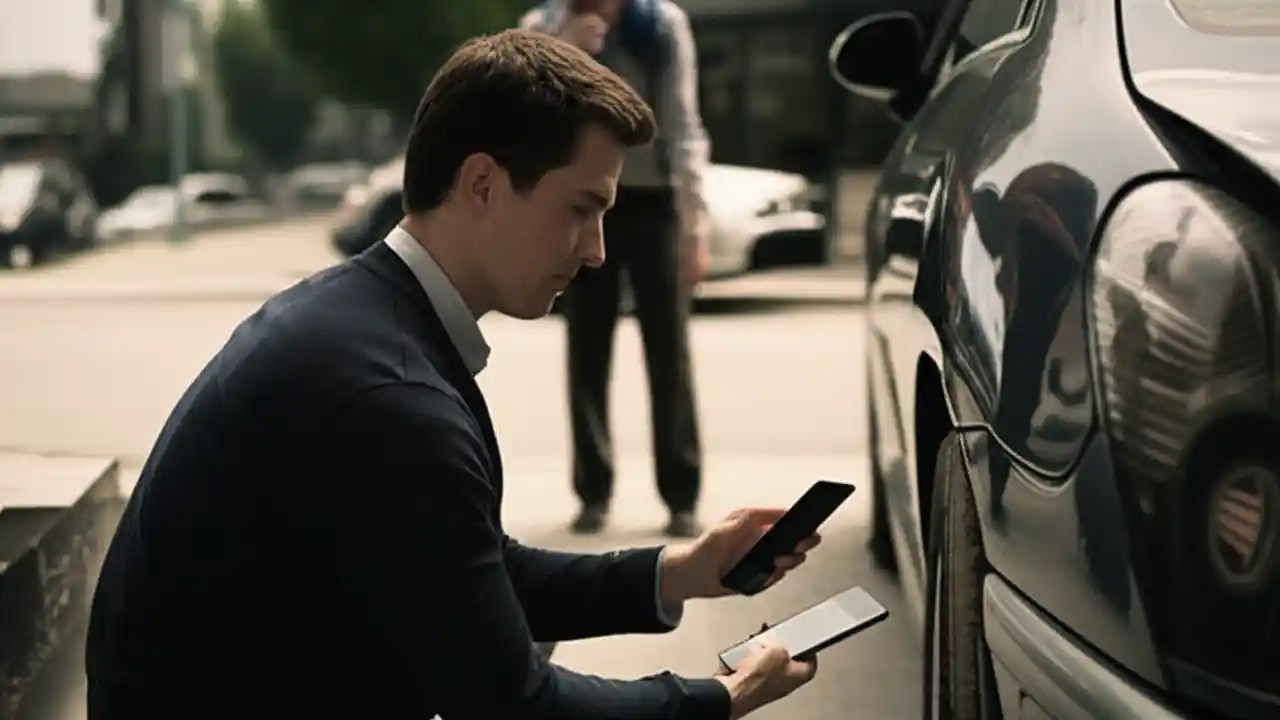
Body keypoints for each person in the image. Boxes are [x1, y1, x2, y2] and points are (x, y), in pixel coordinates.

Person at [85, 29, 818, 720]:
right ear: (482, 185)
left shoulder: (361, 313)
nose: (597, 251)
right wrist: (722, 697)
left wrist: (680, 569)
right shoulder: (393, 397)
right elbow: (515, 706)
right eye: (581, 209)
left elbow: (461, 569)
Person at [520, 0, 711, 538]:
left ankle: (681, 495)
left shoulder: (660, 26)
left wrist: (695, 222)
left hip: (654, 204)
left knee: (668, 350)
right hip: (578, 203)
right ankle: (593, 491)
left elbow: (683, 123)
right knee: (586, 346)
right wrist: (564, 52)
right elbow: (524, 125)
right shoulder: (541, 29)